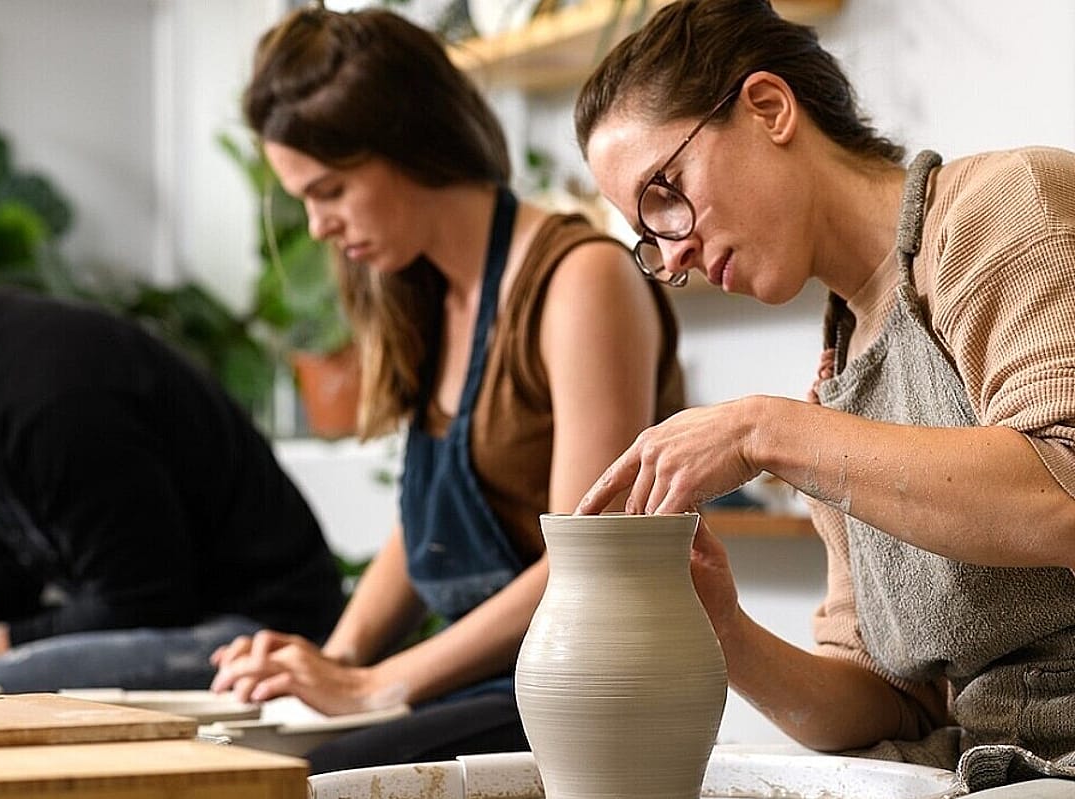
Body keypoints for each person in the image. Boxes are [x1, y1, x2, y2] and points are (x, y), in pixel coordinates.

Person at [572, 0, 1075, 786]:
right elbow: (895, 703)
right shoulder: (837, 383)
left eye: (665, 193)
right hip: (993, 764)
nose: (672, 258)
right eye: (648, 235)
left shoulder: (1007, 207)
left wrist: (760, 431)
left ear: (769, 107)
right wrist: (722, 629)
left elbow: (1062, 494)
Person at [208, 6, 685, 773]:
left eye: (331, 190)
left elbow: (583, 566)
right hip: (486, 683)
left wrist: (377, 683)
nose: (318, 225)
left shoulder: (579, 278)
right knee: (233, 752)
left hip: (580, 692)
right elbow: (427, 525)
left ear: (411, 143)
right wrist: (332, 662)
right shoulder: (424, 293)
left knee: (307, 779)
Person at [0, 261, 344, 692]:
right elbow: (0, 562)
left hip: (258, 629)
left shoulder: (49, 395)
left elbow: (145, 600)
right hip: (163, 614)